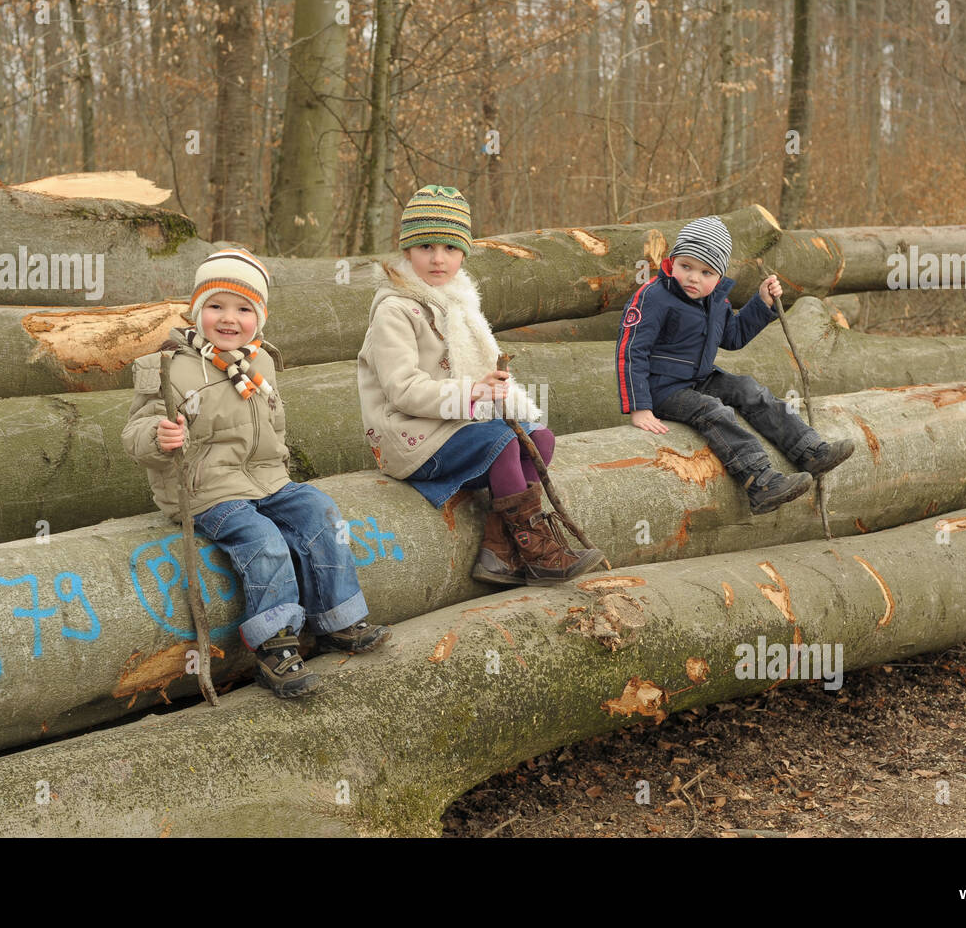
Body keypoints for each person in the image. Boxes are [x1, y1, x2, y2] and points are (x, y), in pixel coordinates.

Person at [122, 248, 389, 699]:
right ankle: (275, 645)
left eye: (244, 309)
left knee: (323, 513)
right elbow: (135, 430)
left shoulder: (260, 362)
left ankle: (337, 619)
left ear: (259, 318)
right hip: (206, 489)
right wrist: (159, 435)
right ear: (196, 309)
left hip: (267, 480)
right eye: (216, 306)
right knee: (264, 540)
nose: (229, 319)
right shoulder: (170, 365)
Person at [358, 184, 603, 585]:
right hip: (409, 437)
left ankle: (498, 551)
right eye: (426, 247)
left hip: (452, 425)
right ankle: (535, 547)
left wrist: (487, 387)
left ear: (463, 253)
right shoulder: (395, 310)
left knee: (538, 440)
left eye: (451, 249)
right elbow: (403, 389)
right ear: (407, 250)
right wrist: (473, 392)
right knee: (503, 441)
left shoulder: (457, 303)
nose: (439, 259)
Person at [616, 215, 854, 514]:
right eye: (686, 266)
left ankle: (808, 451)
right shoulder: (654, 296)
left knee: (747, 389)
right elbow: (630, 349)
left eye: (705, 272)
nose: (693, 278)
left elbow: (734, 336)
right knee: (714, 411)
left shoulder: (716, 300)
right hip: (661, 388)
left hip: (698, 378)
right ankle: (761, 482)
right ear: (672, 262)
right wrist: (639, 406)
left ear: (718, 276)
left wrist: (762, 302)